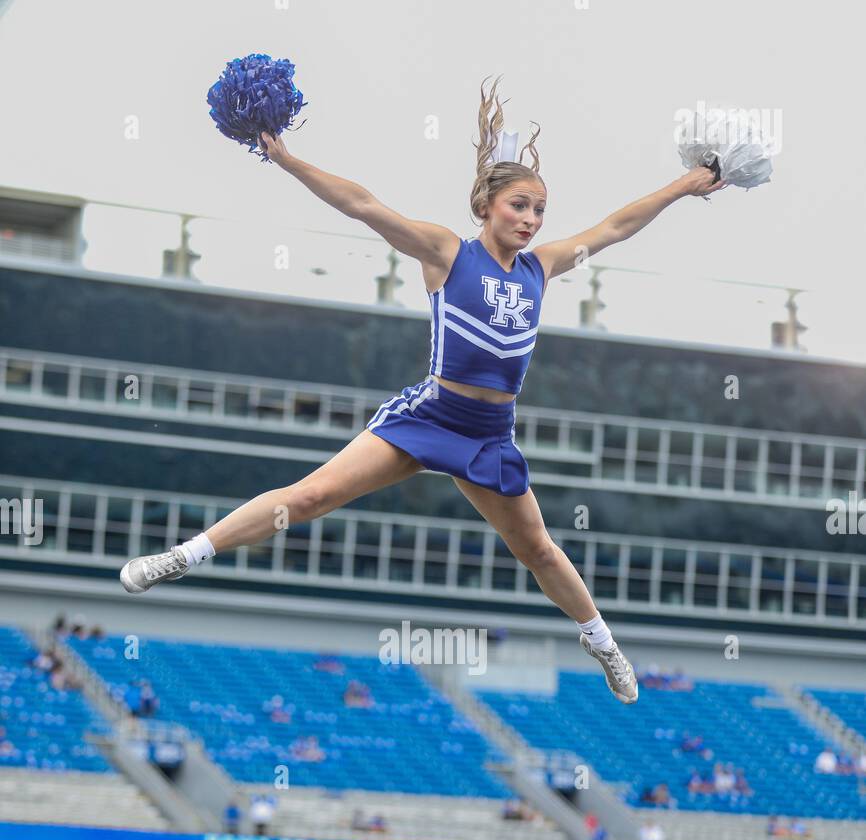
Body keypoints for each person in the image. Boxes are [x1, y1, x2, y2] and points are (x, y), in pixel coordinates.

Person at [115, 78, 725, 701]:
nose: (532, 219)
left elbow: (618, 226)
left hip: (488, 436)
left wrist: (684, 184)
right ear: (488, 205)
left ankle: (603, 644)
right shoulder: (446, 252)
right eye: (520, 205)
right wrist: (290, 161)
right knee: (310, 497)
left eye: (539, 209)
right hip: (429, 417)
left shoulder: (543, 267)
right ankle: (183, 556)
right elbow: (363, 205)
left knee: (538, 549)